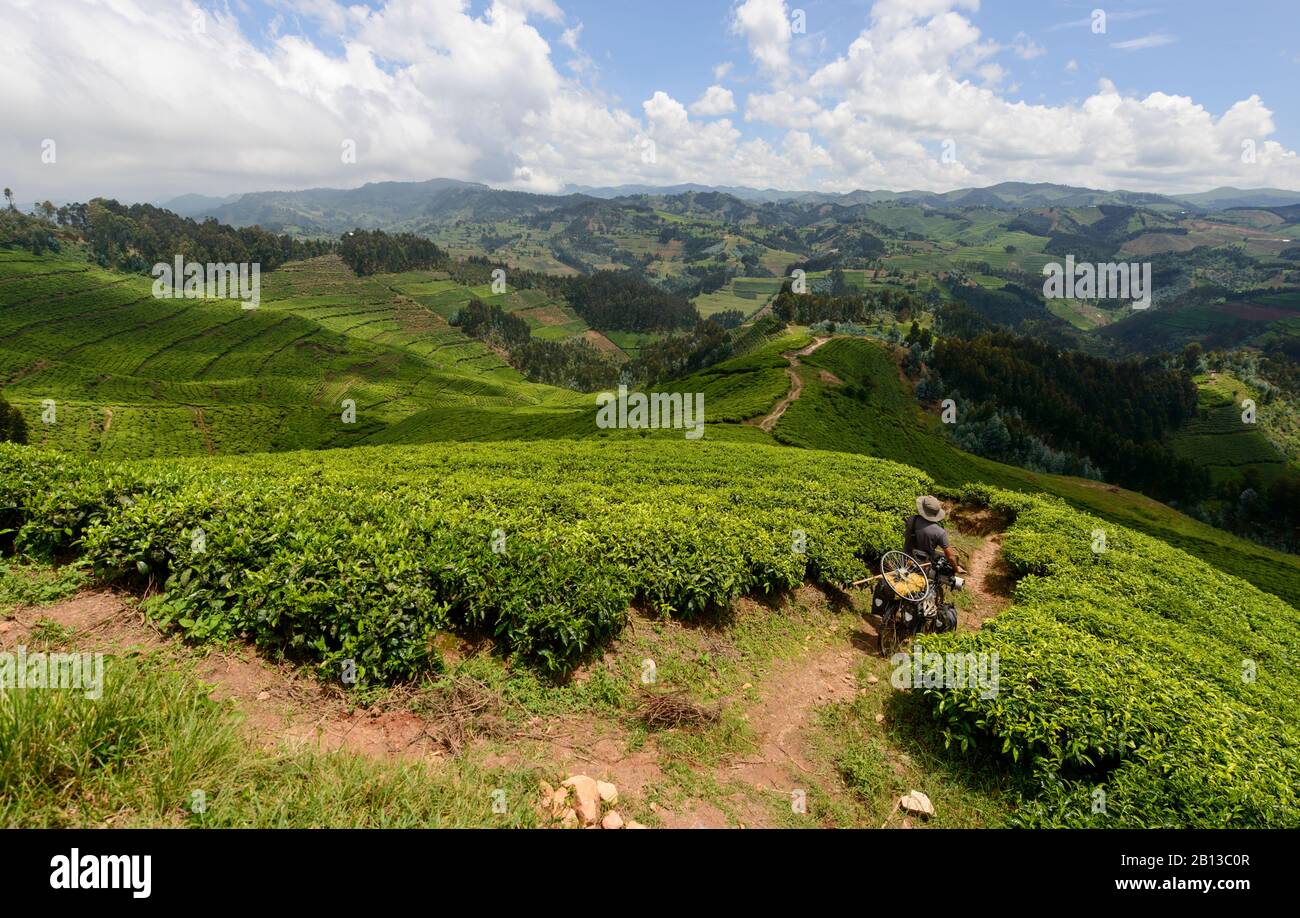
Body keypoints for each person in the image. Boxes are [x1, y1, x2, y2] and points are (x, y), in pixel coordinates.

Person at [903, 495, 965, 575]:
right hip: (923, 567)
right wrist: (956, 568)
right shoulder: (940, 532)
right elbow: (950, 557)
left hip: (904, 560)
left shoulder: (911, 520)